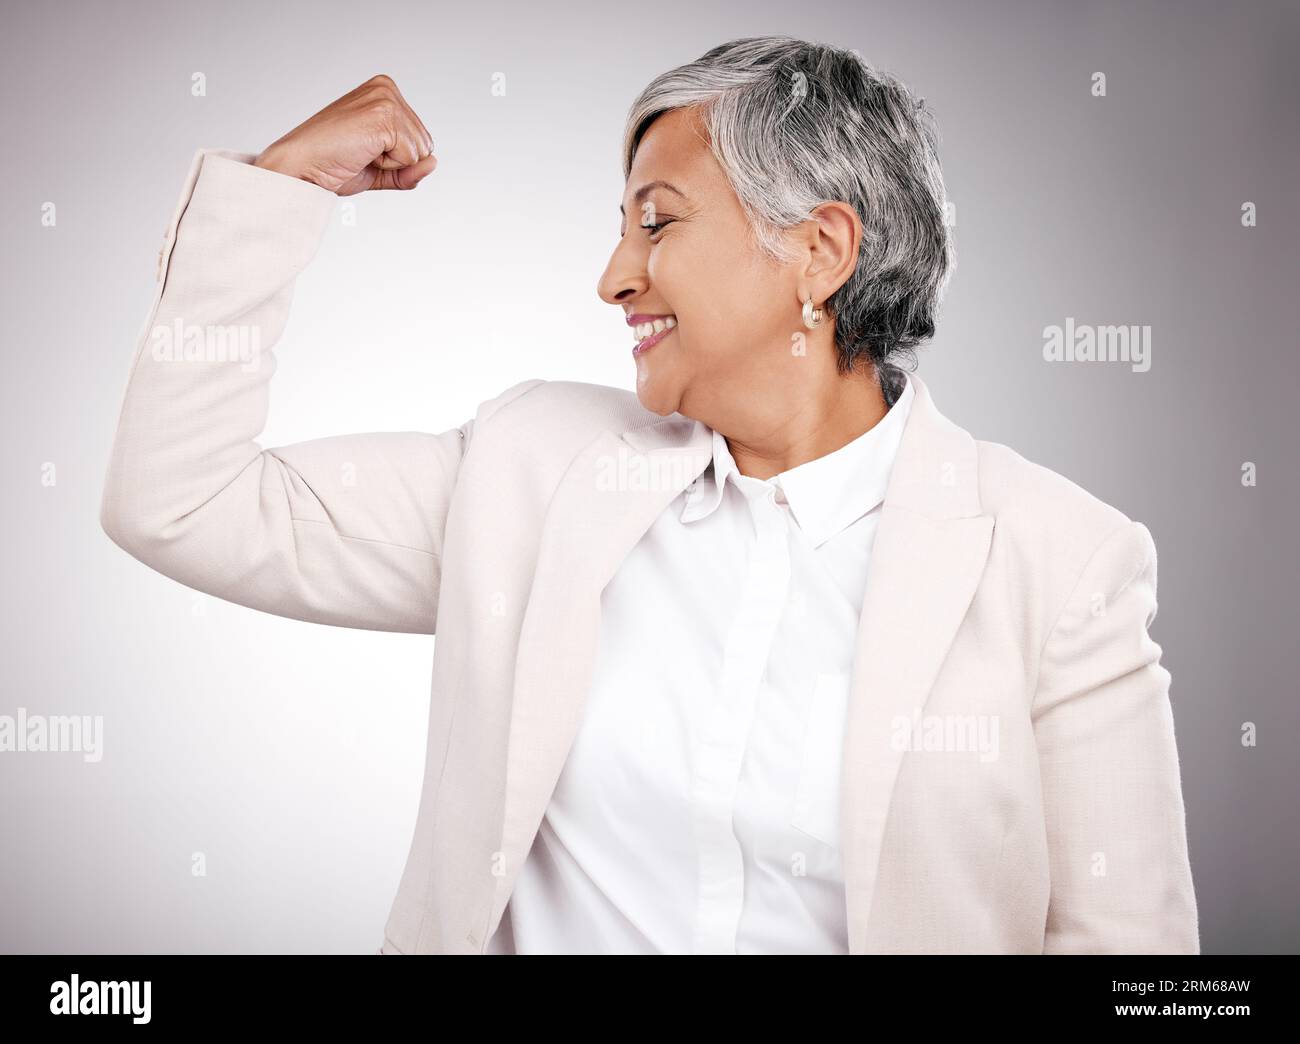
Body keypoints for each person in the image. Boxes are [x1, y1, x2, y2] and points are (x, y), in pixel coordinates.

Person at [99, 36, 1198, 954]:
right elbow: (180, 499)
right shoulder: (530, 471)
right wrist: (284, 188)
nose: (613, 274)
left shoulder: (1061, 562)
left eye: (657, 221)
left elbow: (1130, 956)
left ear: (818, 252)